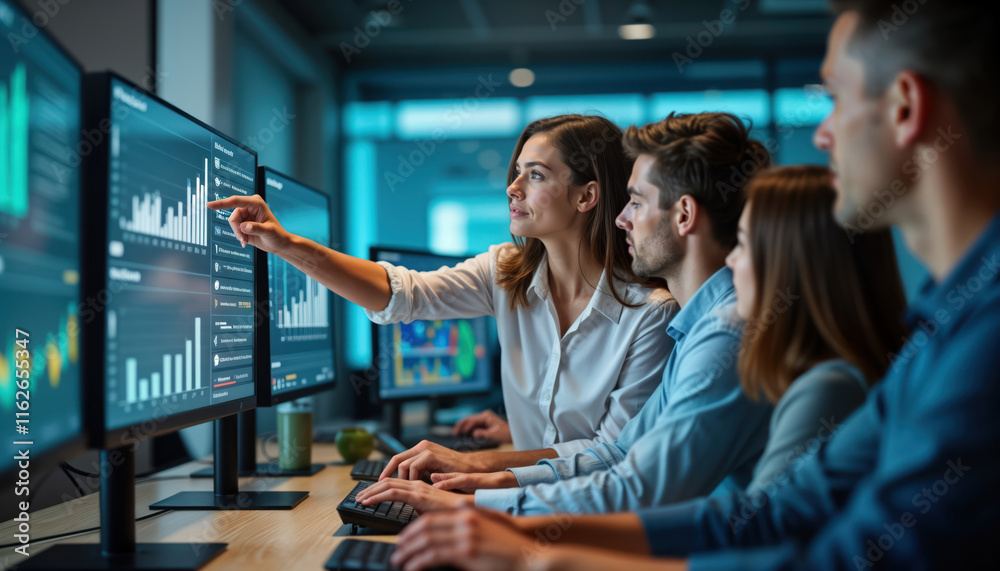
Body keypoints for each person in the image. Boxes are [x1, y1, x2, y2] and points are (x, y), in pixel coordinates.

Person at [384, 0, 1000, 569]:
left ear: (904, 109)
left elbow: (824, 551)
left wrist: (529, 545)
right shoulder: (942, 325)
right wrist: (493, 501)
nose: (822, 133)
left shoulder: (974, 337)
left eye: (835, 97)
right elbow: (758, 515)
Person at [385, 163, 909, 569]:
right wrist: (493, 493)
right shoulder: (715, 340)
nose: (731, 261)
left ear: (793, 265)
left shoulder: (812, 379)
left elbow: (742, 530)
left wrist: (515, 533)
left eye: (746, 245)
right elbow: (621, 456)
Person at [355, 111, 776, 514]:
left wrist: (478, 498)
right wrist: (494, 477)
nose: (622, 219)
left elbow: (641, 491)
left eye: (637, 202)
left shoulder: (718, 336)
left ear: (683, 215)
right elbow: (618, 455)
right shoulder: (697, 328)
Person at [209, 114, 677, 458]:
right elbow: (402, 294)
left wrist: (473, 464)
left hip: (584, 523)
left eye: (535, 175)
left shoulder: (651, 314)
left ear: (586, 196)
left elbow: (610, 457)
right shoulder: (506, 272)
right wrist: (288, 245)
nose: (513, 187)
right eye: (516, 172)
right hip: (521, 498)